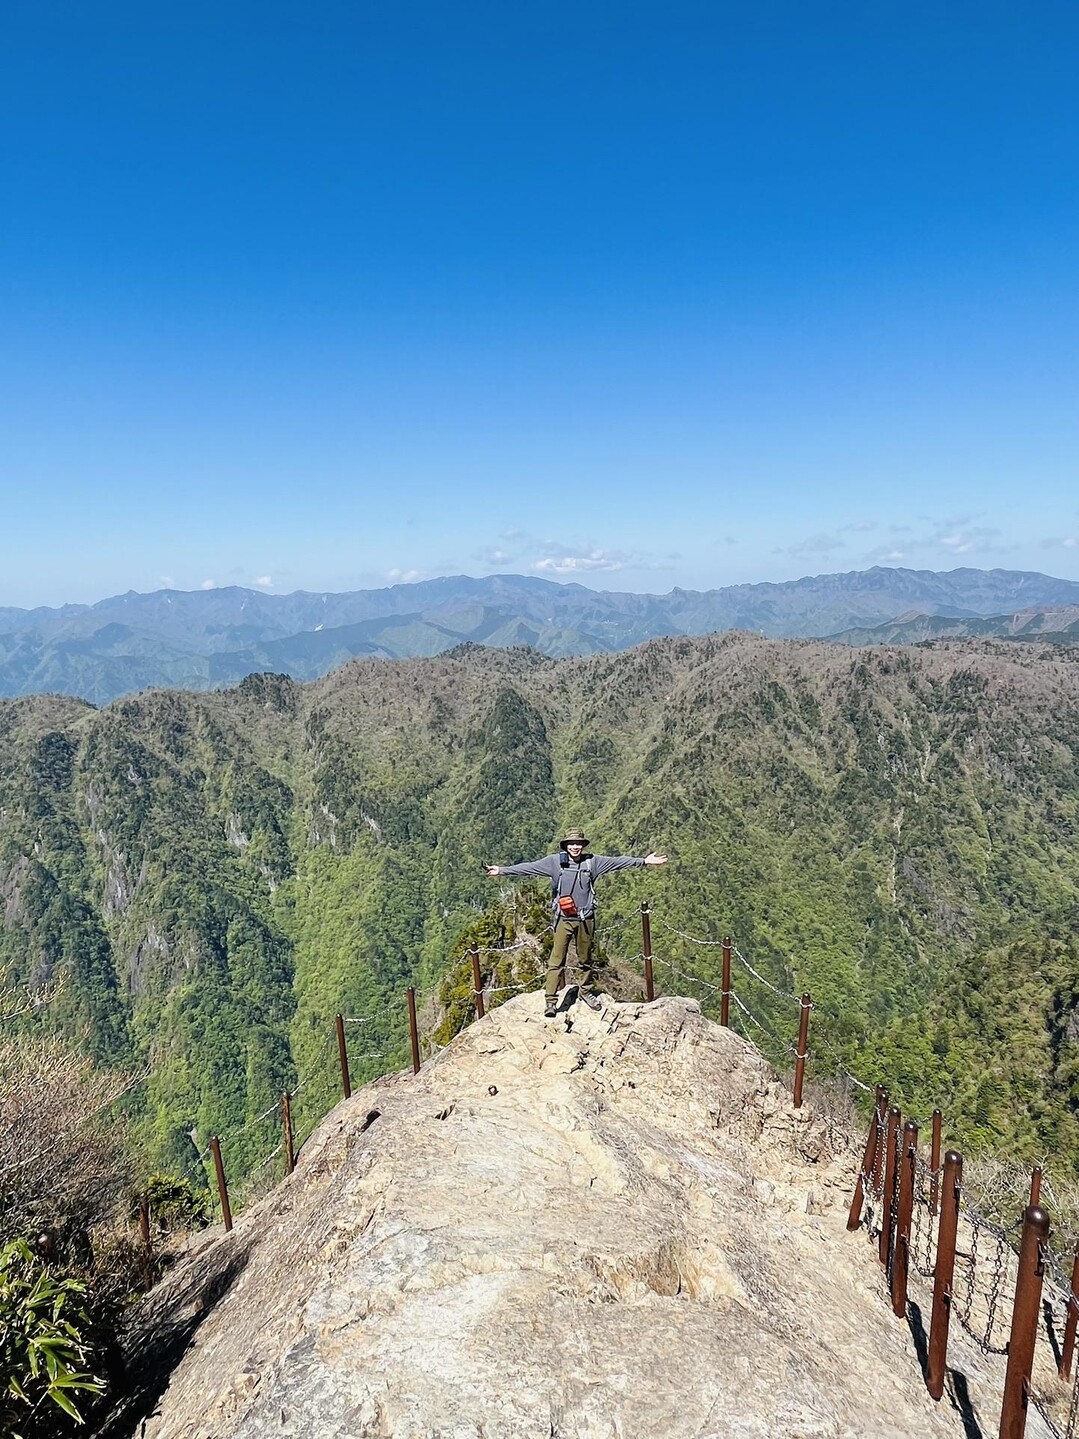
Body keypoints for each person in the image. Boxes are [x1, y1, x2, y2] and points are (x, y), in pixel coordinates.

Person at [484, 828, 668, 1017]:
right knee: (557, 959)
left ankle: (586, 992)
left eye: (578, 843)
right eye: (571, 844)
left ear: (583, 845)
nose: (575, 847)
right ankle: (550, 1001)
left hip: (585, 918)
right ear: (565, 846)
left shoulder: (592, 862)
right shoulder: (554, 863)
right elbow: (528, 868)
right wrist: (501, 870)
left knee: (585, 959)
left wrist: (644, 861)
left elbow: (617, 862)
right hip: (564, 919)